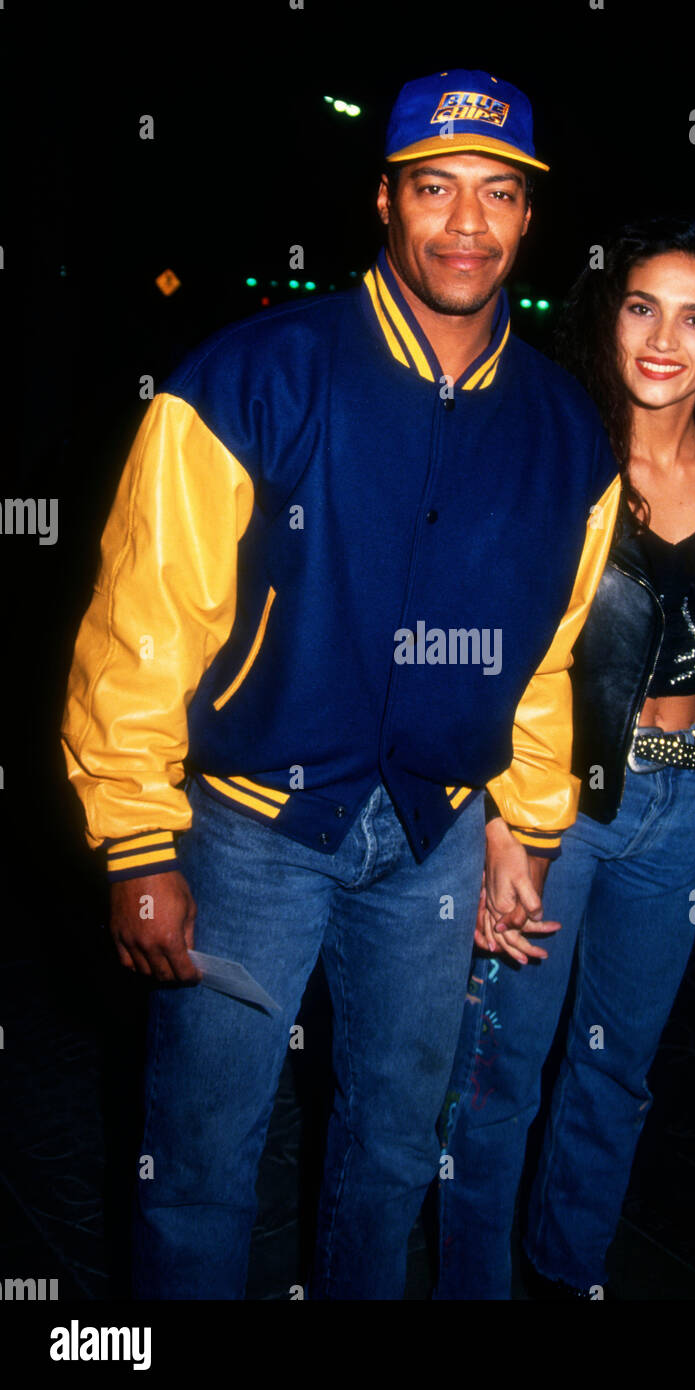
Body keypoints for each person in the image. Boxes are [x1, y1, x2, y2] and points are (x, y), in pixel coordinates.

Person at [59, 68, 619, 1300]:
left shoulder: (569, 432)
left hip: (432, 836)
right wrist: (137, 843)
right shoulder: (250, 375)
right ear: (384, 200)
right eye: (434, 187)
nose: (464, 223)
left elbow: (544, 655)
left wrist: (525, 825)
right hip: (251, 832)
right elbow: (144, 621)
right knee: (203, 1160)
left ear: (528, 217)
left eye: (493, 194)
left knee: (390, 1156)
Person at [437, 217, 695, 1299]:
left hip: (676, 808)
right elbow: (478, 643)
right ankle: (471, 1287)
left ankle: (568, 1273)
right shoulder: (550, 448)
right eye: (643, 306)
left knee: (615, 1070)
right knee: (495, 1070)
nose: (663, 339)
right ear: (610, 313)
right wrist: (499, 817)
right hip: (552, 802)